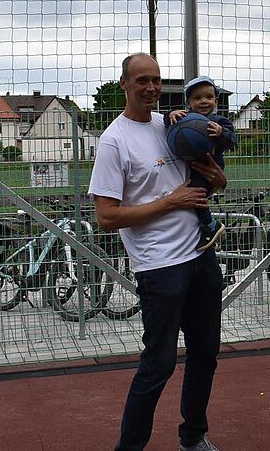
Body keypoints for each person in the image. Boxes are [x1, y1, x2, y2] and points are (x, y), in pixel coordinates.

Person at [88, 53, 228, 451]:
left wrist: (218, 180)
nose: (150, 88)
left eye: (156, 80)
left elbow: (203, 186)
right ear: (124, 84)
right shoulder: (114, 141)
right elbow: (107, 217)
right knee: (159, 365)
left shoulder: (172, 126)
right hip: (159, 268)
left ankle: (193, 436)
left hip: (200, 258)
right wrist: (171, 201)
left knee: (205, 355)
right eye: (142, 81)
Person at [167, 75, 238, 252]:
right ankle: (208, 235)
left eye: (208, 97)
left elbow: (233, 143)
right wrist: (170, 115)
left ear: (216, 100)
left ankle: (210, 225)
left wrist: (222, 133)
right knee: (189, 195)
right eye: (197, 98)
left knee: (195, 195)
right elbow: (166, 124)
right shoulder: (184, 119)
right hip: (191, 166)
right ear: (189, 102)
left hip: (210, 167)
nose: (203, 101)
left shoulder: (221, 122)